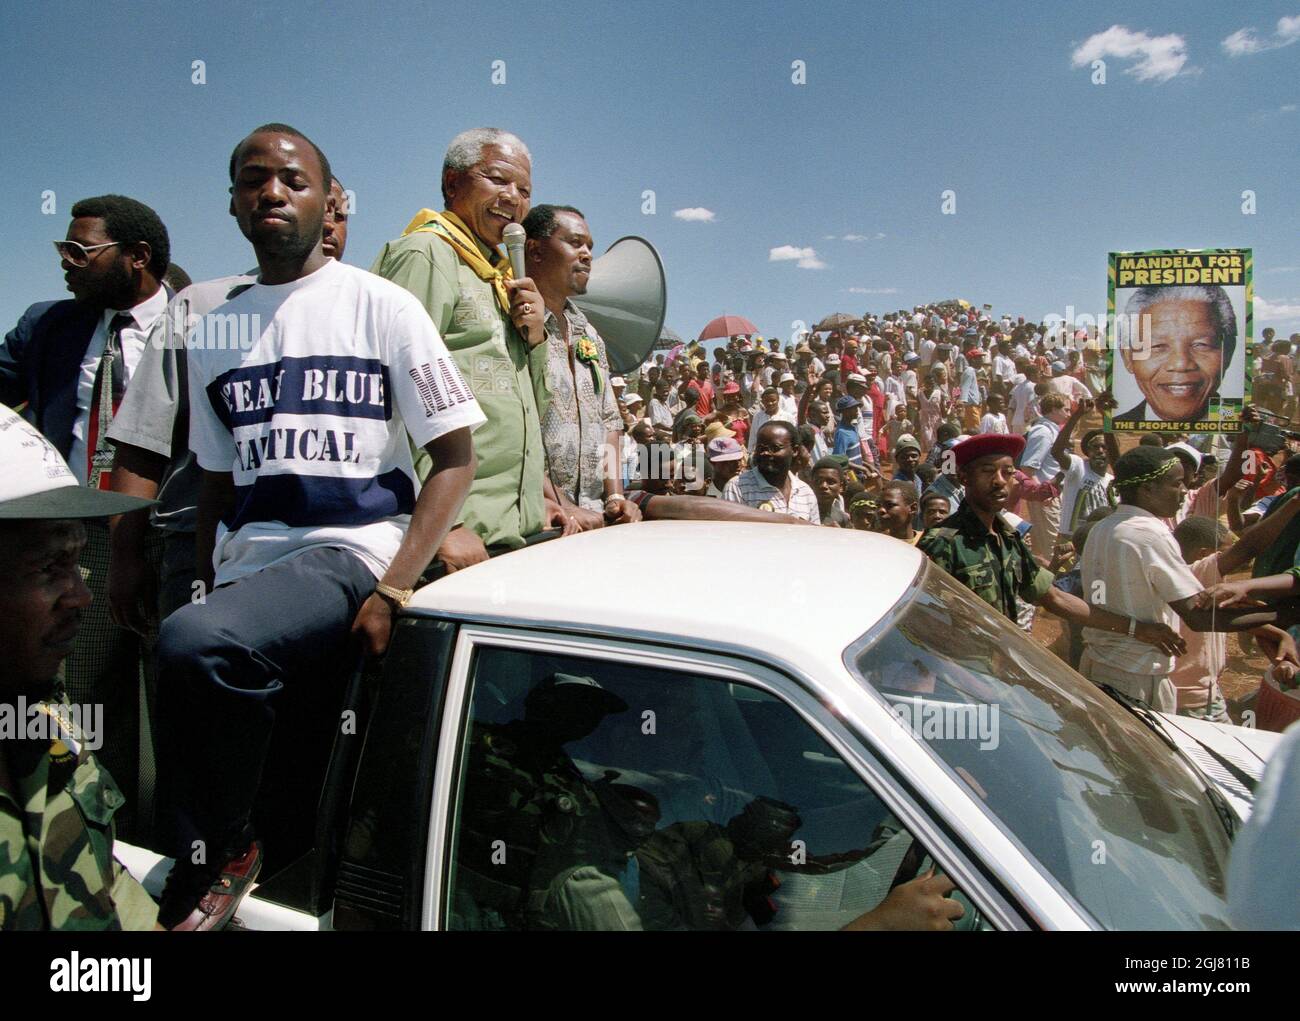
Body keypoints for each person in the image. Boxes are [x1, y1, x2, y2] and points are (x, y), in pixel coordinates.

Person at [154, 124, 485, 931]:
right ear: (232, 202)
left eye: (293, 181)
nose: (272, 193)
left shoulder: (382, 305)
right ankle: (259, 859)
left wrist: (396, 584)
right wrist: (210, 579)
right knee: (287, 782)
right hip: (254, 574)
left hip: (350, 552)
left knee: (193, 643)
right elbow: (217, 482)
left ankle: (216, 854)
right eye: (253, 180)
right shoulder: (214, 332)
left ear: (328, 199)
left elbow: (454, 456)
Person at [2, 194, 172, 842]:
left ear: (136, 257)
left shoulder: (200, 320)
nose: (65, 264)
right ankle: (107, 847)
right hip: (79, 539)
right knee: (95, 707)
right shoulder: (47, 326)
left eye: (80, 251)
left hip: (165, 535)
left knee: (177, 700)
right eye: (60, 250)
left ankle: (179, 853)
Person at [371, 127, 563, 571]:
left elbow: (529, 408)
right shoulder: (426, 254)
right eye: (497, 179)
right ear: (452, 183)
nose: (513, 197)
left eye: (525, 190)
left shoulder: (497, 275)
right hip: (453, 537)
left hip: (510, 530)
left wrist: (534, 341)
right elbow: (389, 398)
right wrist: (443, 525)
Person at [0, 405, 160, 930]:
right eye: (50, 568)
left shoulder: (39, 713)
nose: (83, 596)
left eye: (77, 560)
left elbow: (105, 891)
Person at [1079, 447, 1299, 712]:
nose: (1184, 490)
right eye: (1176, 483)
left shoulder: (1103, 528)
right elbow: (1198, 617)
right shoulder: (1150, 534)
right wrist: (1283, 614)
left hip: (1102, 663)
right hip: (1136, 674)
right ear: (1147, 489)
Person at [920, 435, 1189, 649]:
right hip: (962, 674)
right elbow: (925, 623)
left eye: (1007, 472)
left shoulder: (1007, 537)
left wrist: (1138, 629)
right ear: (965, 477)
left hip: (1000, 662)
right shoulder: (943, 543)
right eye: (987, 471)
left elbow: (1054, 597)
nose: (1000, 481)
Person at [523, 205, 639, 529]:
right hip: (541, 519)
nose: (587, 254)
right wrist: (563, 505)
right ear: (535, 250)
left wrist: (615, 498)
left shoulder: (588, 333)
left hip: (595, 516)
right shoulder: (512, 324)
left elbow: (610, 421)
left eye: (590, 246)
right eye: (575, 243)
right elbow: (514, 433)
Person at [1170, 514, 1300, 722]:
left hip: (1198, 692)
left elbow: (1227, 618)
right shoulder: (1198, 575)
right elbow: (1247, 548)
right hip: (1193, 697)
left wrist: (1279, 635)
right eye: (1223, 550)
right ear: (1203, 554)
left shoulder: (1183, 582)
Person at [1113, 285, 1237, 424]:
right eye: (1158, 346)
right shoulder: (1117, 423)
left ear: (1228, 352)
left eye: (1201, 345)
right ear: (1128, 357)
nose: (1180, 364)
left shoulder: (1242, 421)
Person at [1049, 396, 1119, 541]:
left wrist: (1107, 417)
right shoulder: (1078, 467)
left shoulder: (1112, 482)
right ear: (1088, 451)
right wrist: (1077, 415)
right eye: (1095, 447)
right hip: (1071, 541)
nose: (1100, 451)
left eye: (1105, 447)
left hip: (1099, 541)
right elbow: (1057, 451)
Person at [723, 420, 820, 523]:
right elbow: (731, 533)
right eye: (760, 448)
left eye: (774, 448)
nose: (765, 453)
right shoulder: (738, 487)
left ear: (795, 450)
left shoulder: (805, 492)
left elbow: (814, 534)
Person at [1018, 392, 1069, 561]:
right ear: (1054, 409)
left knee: (1044, 544)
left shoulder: (1052, 429)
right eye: (1066, 410)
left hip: (1053, 492)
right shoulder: (1043, 432)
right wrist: (1042, 493)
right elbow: (1028, 467)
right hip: (1046, 497)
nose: (1068, 414)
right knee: (1054, 543)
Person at [877, 480, 921, 545]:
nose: (881, 510)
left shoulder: (927, 544)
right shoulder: (876, 544)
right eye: (878, 505)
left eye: (890, 505)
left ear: (913, 508)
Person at [811, 458, 850, 527]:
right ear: (811, 484)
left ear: (841, 487)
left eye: (831, 482)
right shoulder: (801, 513)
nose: (824, 486)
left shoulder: (842, 518)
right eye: (818, 481)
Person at [831, 395, 865, 469]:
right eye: (854, 409)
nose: (857, 411)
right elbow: (839, 459)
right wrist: (863, 469)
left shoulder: (853, 427)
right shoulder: (842, 433)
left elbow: (853, 456)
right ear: (846, 411)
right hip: (851, 476)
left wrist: (867, 466)